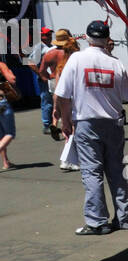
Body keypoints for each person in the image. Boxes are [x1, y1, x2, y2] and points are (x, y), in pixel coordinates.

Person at [54, 19, 128, 235]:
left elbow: (62, 94)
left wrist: (66, 120)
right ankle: (124, 217)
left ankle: (97, 221)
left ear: (87, 38)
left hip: (87, 122)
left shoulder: (77, 59)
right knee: (116, 171)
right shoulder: (116, 63)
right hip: (114, 122)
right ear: (107, 38)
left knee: (92, 172)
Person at [49, 29, 81, 169]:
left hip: (62, 100)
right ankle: (71, 160)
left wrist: (56, 109)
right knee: (73, 130)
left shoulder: (59, 65)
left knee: (67, 129)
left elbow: (57, 91)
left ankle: (67, 160)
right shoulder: (74, 65)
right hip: (73, 100)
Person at [27, 27, 55, 132]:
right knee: (47, 101)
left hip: (52, 78)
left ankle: (53, 123)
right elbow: (30, 62)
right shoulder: (39, 47)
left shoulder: (51, 46)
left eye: (50, 34)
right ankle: (47, 124)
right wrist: (42, 74)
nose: (49, 36)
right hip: (45, 79)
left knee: (54, 101)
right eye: (46, 35)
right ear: (41, 36)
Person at [0, 57, 19, 170]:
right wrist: (11, 73)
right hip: (1, 101)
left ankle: (6, 162)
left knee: (1, 135)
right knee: (10, 133)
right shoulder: (1, 65)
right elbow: (12, 80)